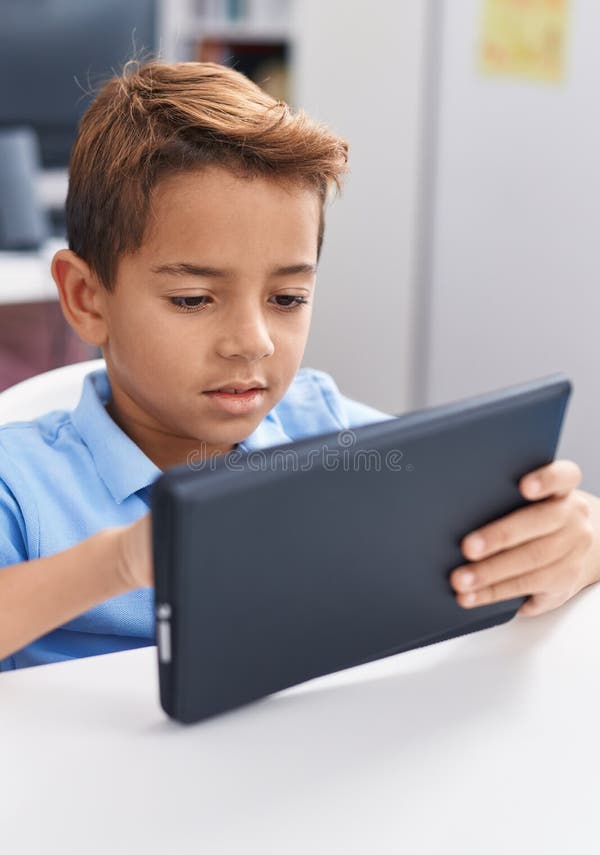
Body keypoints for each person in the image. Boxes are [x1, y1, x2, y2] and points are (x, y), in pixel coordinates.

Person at [0, 60, 598, 671]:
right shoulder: (19, 482)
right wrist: (122, 561)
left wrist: (577, 538)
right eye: (193, 299)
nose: (253, 342)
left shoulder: (326, 427)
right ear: (84, 298)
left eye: (287, 299)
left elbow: (548, 523)